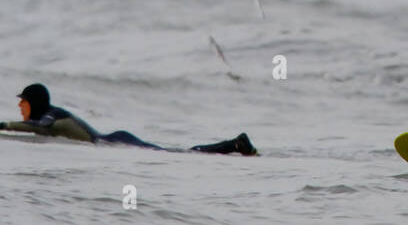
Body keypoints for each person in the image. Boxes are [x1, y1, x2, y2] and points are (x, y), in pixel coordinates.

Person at [0, 84, 257, 156]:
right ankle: (233, 145)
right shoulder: (51, 113)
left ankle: (233, 145)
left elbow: (39, 128)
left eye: (23, 102)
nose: (20, 106)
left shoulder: (49, 117)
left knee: (183, 154)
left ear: (33, 103)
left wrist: (5, 125)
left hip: (114, 141)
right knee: (181, 153)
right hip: (115, 138)